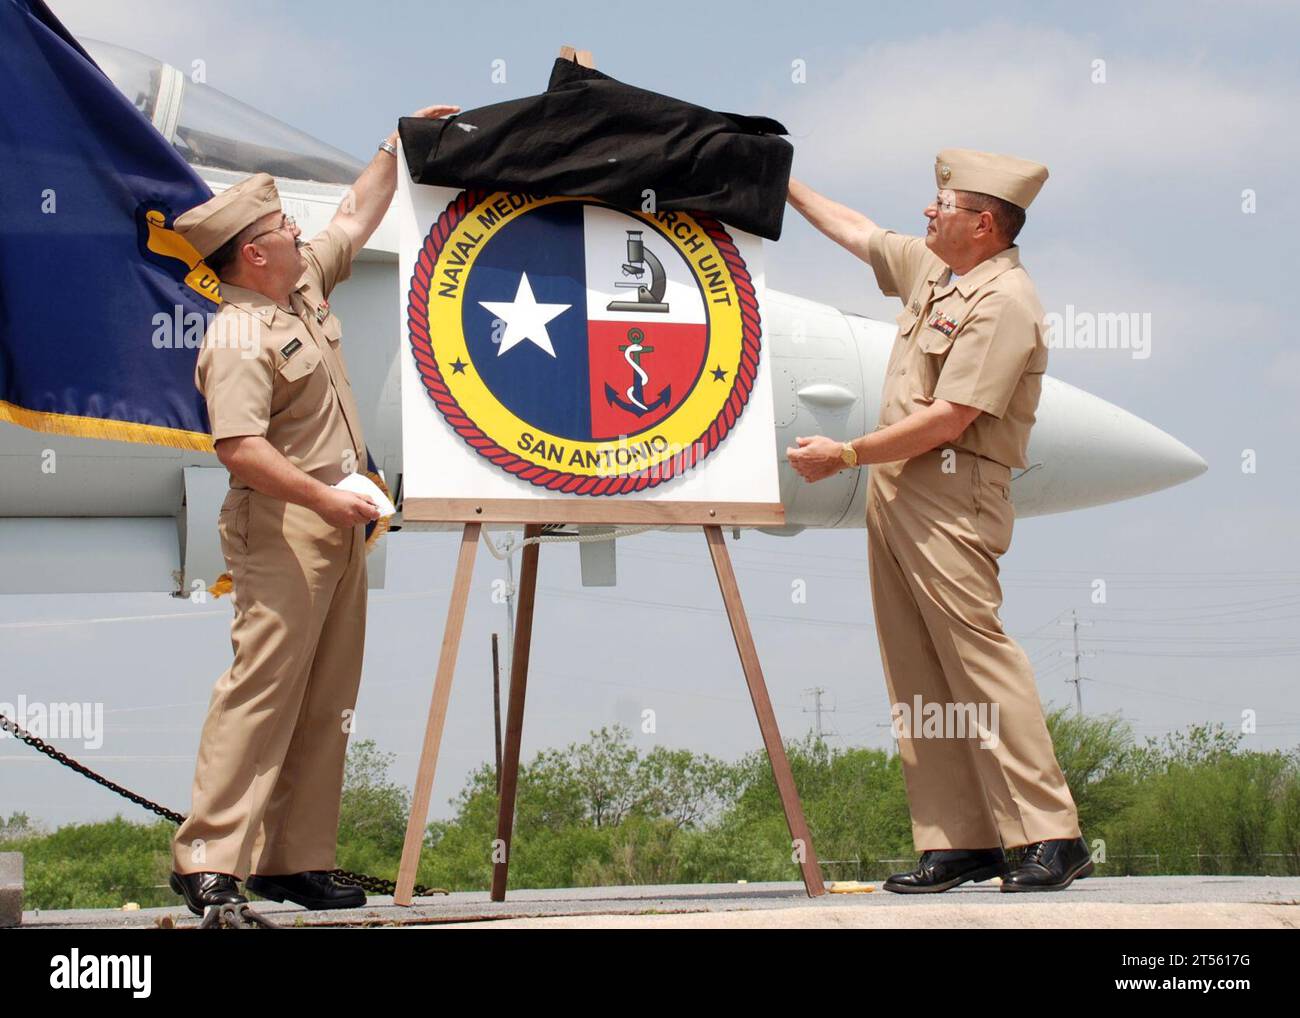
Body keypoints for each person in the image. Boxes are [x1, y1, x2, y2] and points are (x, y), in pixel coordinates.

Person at [168, 104, 458, 915]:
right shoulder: (235, 334)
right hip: (286, 525)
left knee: (329, 697)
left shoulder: (301, 288)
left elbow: (355, 214)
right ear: (253, 252)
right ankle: (207, 859)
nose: (300, 235)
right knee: (262, 689)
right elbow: (241, 450)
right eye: (283, 229)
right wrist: (328, 498)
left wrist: (393, 144)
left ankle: (292, 859)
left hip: (340, 523)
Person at [785, 149, 1093, 892]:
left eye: (943, 204)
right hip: (896, 490)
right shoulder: (937, 272)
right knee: (916, 666)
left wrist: (848, 453)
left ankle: (1052, 833)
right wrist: (782, 180)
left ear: (983, 224)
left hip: (952, 493)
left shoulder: (1004, 301)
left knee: (979, 659)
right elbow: (858, 231)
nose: (928, 212)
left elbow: (951, 418)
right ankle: (961, 840)